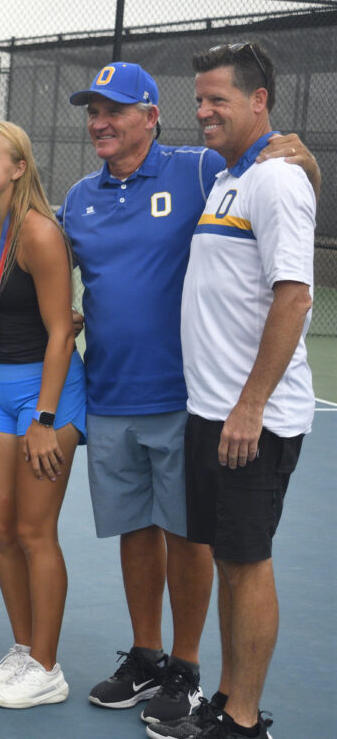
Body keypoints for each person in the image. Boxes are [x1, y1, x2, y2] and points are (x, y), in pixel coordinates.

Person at [62, 62, 319, 728]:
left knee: (191, 536)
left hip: (188, 398)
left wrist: (306, 158)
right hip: (110, 393)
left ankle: (186, 666)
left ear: (150, 116)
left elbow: (270, 173)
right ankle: (146, 656)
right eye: (93, 111)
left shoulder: (200, 170)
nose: (101, 122)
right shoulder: (80, 197)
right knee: (135, 531)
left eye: (115, 110)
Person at [152, 42, 315, 739]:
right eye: (199, 99)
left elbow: (295, 299)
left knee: (247, 565)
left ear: (259, 101)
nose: (205, 111)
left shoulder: (276, 181)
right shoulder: (229, 175)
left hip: (255, 418)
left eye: (219, 98)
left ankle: (245, 722)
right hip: (210, 412)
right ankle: (224, 699)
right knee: (227, 559)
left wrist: (249, 406)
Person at [0, 120, 85, 709]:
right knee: (2, 528)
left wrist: (44, 416)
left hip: (46, 393)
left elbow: (62, 331)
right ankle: (22, 646)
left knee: (36, 532)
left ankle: (48, 666)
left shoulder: (38, 233)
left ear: (18, 168)